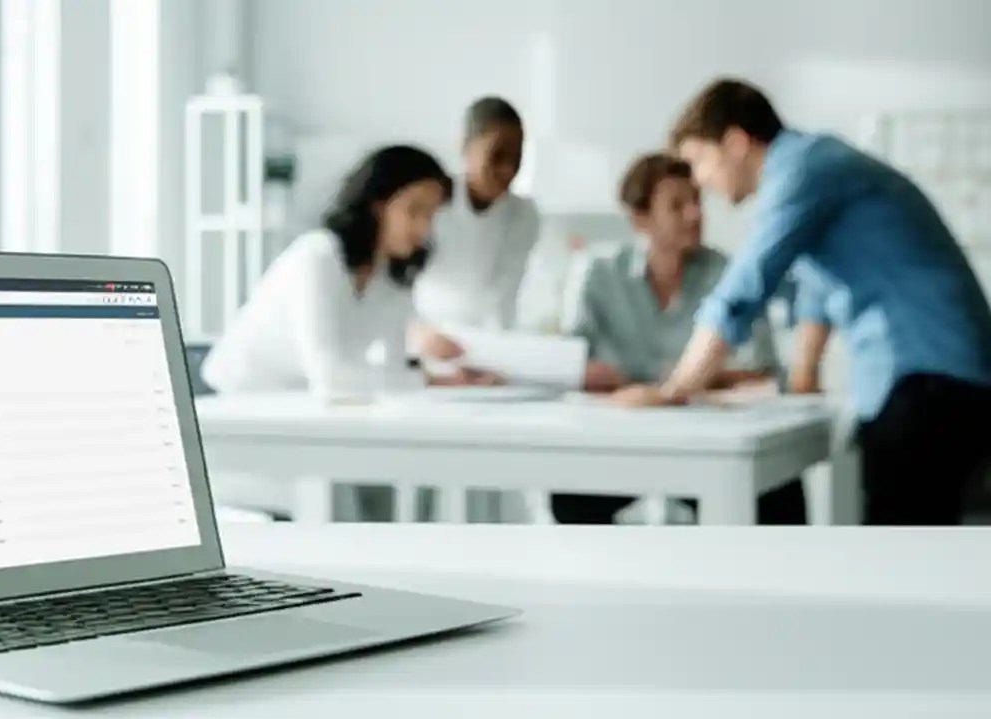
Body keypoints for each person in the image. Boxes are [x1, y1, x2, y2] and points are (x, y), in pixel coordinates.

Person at [612, 77, 991, 526]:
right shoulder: (818, 164)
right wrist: (804, 373)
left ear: (734, 142)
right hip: (936, 375)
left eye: (698, 161)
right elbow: (818, 287)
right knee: (908, 539)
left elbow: (745, 287)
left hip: (928, 378)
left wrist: (674, 388)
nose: (699, 181)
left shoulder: (801, 171)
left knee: (902, 549)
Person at [551, 152, 805, 524]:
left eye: (697, 201)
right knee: (570, 494)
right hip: (622, 442)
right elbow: (569, 363)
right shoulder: (597, 273)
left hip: (707, 444)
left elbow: (763, 372)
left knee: (777, 494)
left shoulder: (728, 272)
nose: (694, 214)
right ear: (640, 219)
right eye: (676, 205)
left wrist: (675, 385)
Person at [202, 144, 491, 399]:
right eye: (413, 211)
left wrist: (442, 381)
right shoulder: (318, 256)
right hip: (232, 397)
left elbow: (391, 368)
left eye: (430, 214)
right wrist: (421, 380)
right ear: (377, 205)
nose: (423, 228)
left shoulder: (394, 278)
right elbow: (331, 375)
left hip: (293, 402)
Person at [412, 97, 540, 355]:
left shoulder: (524, 214)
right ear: (465, 147)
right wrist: (419, 335)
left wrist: (498, 354)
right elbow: (398, 285)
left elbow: (503, 296)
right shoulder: (433, 202)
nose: (507, 170)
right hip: (424, 339)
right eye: (497, 155)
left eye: (516, 159)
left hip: (488, 346)